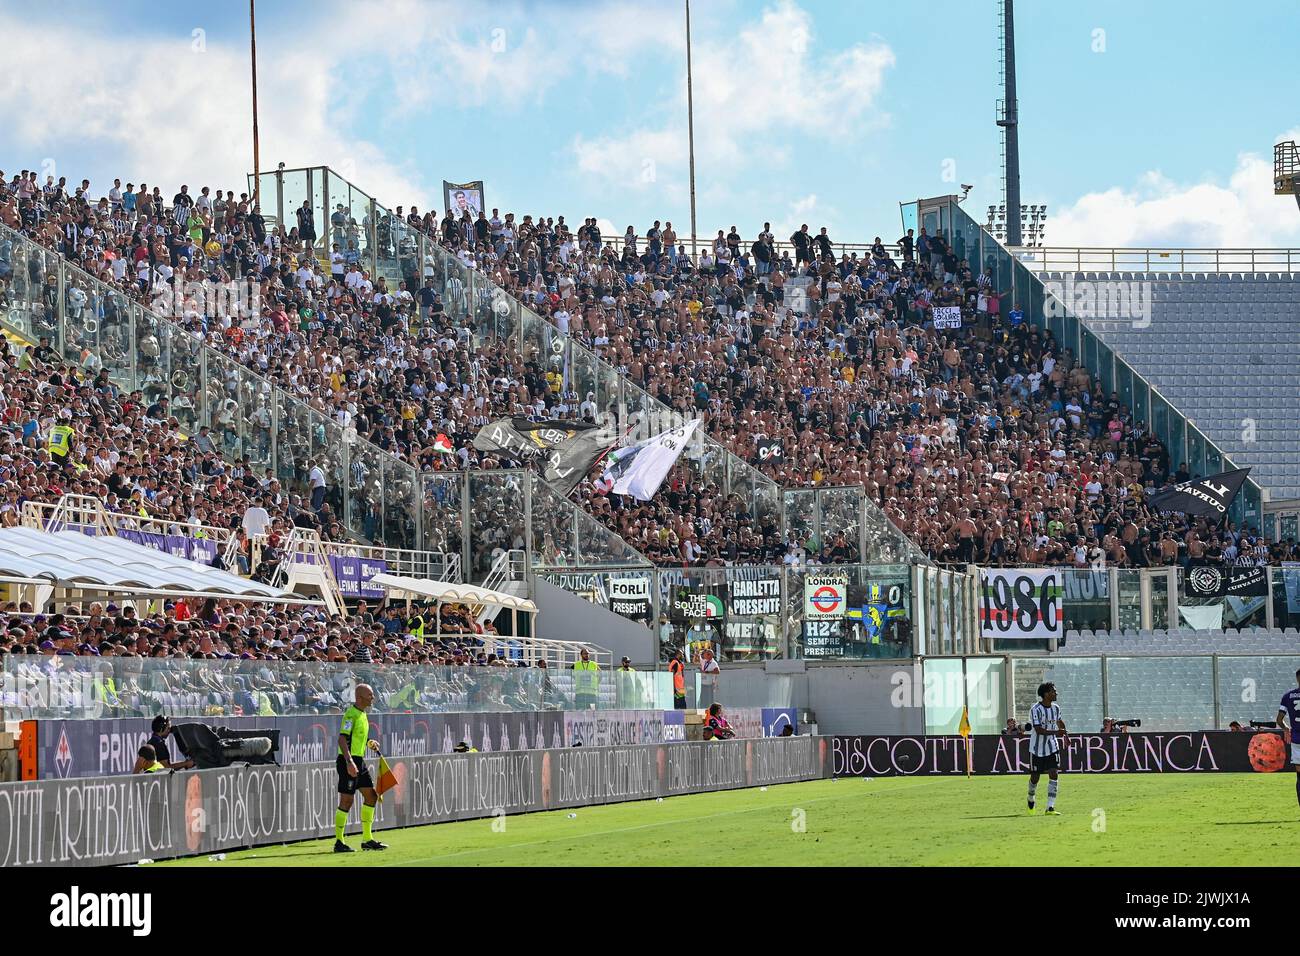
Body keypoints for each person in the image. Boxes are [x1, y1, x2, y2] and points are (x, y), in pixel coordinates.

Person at [334, 683, 387, 853]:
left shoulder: (363, 714)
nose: (373, 697)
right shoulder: (351, 714)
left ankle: (367, 840)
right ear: (360, 697)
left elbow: (356, 737)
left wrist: (368, 742)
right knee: (347, 801)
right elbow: (342, 739)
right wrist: (349, 762)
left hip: (359, 760)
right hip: (347, 761)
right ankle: (339, 842)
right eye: (370, 695)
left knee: (371, 796)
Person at [1027, 682, 1067, 815]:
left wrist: (1065, 735)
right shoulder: (1035, 709)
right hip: (1036, 749)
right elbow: (1038, 730)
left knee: (1054, 774)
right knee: (1035, 778)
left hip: (1052, 747)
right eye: (1053, 691)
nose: (1056, 693)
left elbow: (1060, 722)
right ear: (1046, 694)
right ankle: (1031, 796)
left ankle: (1050, 807)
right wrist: (1057, 733)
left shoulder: (1056, 708)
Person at [1275, 668, 1300, 810]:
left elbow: (1279, 719)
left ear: (1297, 679)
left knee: (1299, 776)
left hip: (1297, 740)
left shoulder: (1288, 696)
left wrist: (1286, 729)